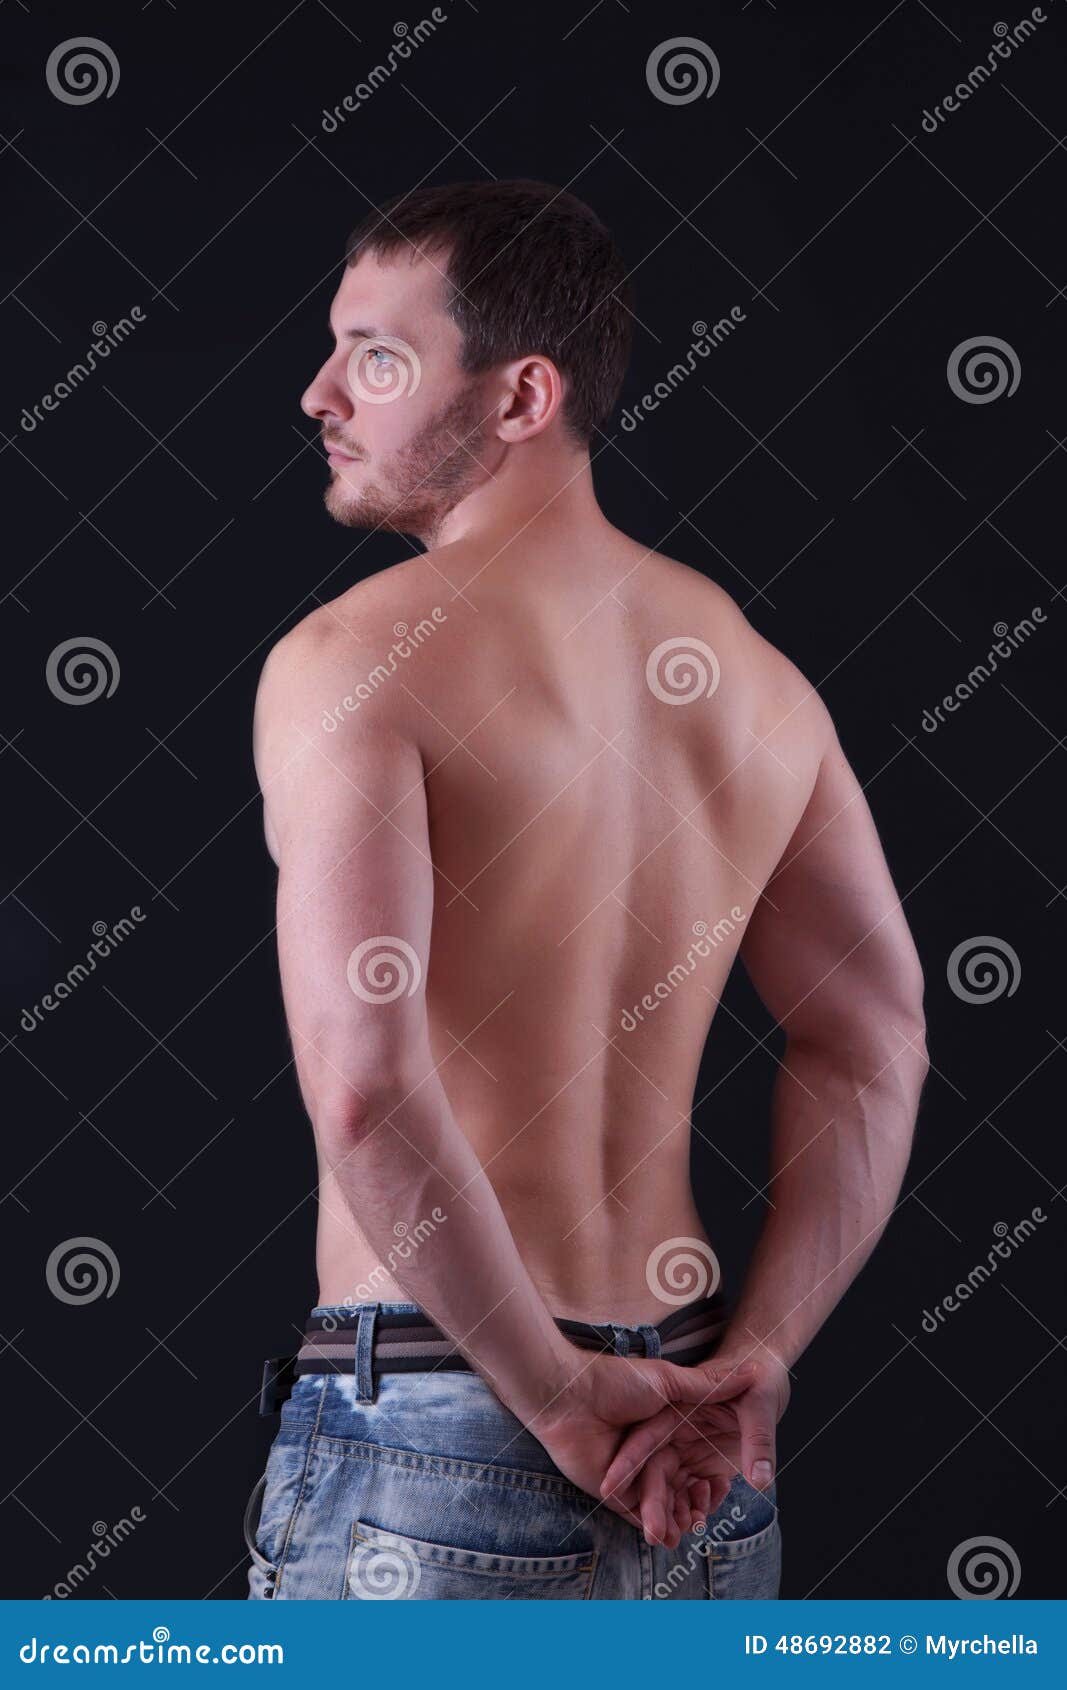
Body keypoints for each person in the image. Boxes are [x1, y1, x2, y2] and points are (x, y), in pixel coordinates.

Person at [244, 180, 928, 1600]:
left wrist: (556, 1396)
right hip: (696, 1440)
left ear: (521, 395)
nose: (320, 393)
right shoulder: (753, 678)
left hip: (442, 1428)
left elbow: (364, 1085)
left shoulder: (349, 659)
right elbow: (876, 1034)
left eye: (377, 355)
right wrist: (765, 1350)